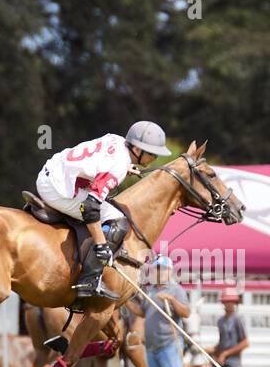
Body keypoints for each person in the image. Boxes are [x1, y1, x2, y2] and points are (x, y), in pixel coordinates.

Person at [35, 120, 172, 298]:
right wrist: (101, 245)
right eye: (152, 154)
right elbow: (90, 207)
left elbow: (100, 160)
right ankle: (88, 280)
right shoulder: (118, 166)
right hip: (56, 188)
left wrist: (125, 167)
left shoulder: (118, 140)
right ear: (137, 150)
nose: (155, 159)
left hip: (52, 171)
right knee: (118, 222)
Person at [129, 254, 191, 367]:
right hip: (151, 347)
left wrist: (171, 299)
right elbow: (142, 312)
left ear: (170, 271)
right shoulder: (150, 291)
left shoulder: (176, 290)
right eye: (156, 269)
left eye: (162, 269)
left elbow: (186, 312)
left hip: (169, 344)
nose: (159, 272)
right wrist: (124, 301)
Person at [212, 288, 249, 367]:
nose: (228, 304)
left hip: (234, 366)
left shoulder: (238, 319)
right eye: (226, 301)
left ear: (235, 303)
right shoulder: (220, 321)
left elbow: (245, 343)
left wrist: (225, 353)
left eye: (231, 301)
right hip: (222, 366)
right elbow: (222, 343)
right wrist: (213, 351)